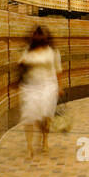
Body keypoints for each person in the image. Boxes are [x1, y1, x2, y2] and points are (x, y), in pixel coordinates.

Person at [19, 26, 62, 158]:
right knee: (29, 116)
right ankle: (29, 147)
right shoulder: (27, 51)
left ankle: (44, 140)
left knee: (45, 116)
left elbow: (58, 70)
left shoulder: (52, 52)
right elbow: (21, 67)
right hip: (30, 87)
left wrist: (59, 87)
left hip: (48, 86)